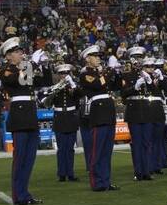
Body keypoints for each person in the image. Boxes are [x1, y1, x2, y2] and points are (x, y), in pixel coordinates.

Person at [0, 36, 49, 205]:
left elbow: (44, 82)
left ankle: (25, 193)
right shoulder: (7, 70)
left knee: (29, 159)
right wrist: (32, 64)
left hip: (30, 114)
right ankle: (18, 195)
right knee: (20, 158)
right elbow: (17, 80)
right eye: (16, 52)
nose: (21, 54)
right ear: (8, 56)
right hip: (19, 115)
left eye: (21, 51)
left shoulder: (24, 69)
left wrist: (45, 65)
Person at [78, 44, 120, 190]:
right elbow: (98, 84)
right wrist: (108, 71)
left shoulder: (99, 72)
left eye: (98, 56)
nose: (98, 59)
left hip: (108, 111)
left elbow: (113, 85)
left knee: (107, 151)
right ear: (88, 59)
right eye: (95, 56)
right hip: (98, 112)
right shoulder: (85, 74)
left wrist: (113, 72)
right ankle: (97, 183)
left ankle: (106, 181)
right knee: (97, 151)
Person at [123, 46, 156, 181]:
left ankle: (147, 171)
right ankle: (138, 172)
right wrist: (134, 87)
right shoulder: (126, 75)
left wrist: (150, 82)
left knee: (147, 143)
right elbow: (124, 94)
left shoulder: (147, 74)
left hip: (147, 111)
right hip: (134, 111)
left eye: (140, 58)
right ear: (131, 60)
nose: (138, 61)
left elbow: (155, 92)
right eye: (135, 58)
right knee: (136, 143)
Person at [49, 62, 82, 183]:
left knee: (70, 148)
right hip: (59, 118)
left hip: (71, 117)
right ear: (58, 75)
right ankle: (62, 173)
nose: (64, 75)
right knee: (62, 148)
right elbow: (47, 101)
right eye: (62, 73)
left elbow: (80, 94)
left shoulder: (73, 86)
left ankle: (70, 173)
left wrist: (72, 84)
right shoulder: (55, 87)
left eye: (66, 73)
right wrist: (56, 88)